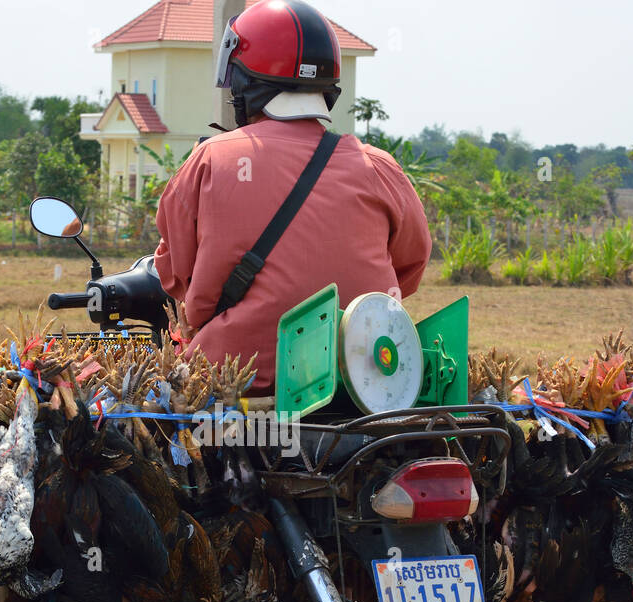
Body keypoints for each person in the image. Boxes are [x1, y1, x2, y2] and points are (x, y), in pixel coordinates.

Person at [154, 0, 431, 396]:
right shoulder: (378, 167)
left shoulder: (212, 158)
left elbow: (175, 272)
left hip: (237, 380)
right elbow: (410, 265)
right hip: (362, 382)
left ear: (244, 85)